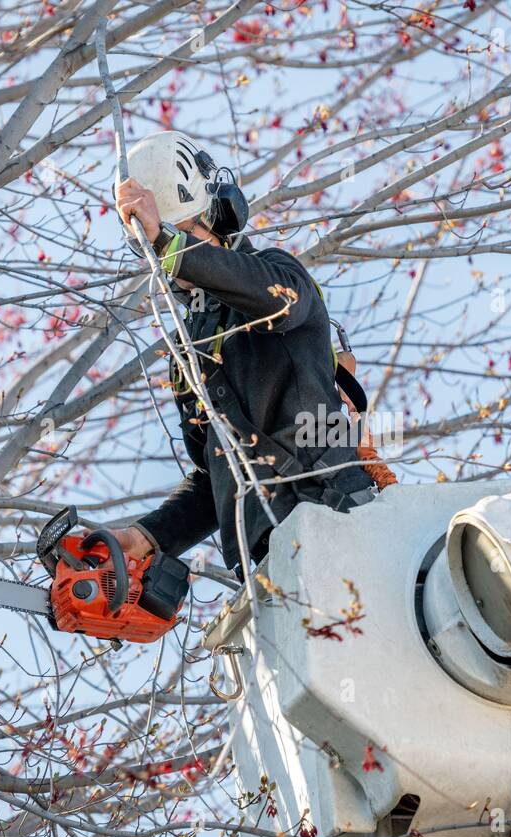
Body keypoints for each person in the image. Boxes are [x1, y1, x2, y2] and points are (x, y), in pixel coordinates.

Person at [108, 130, 381, 575]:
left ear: (210, 220)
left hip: (335, 513)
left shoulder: (277, 275)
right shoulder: (191, 349)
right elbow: (217, 476)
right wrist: (148, 536)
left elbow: (274, 298)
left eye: (178, 236)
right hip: (267, 558)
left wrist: (167, 243)